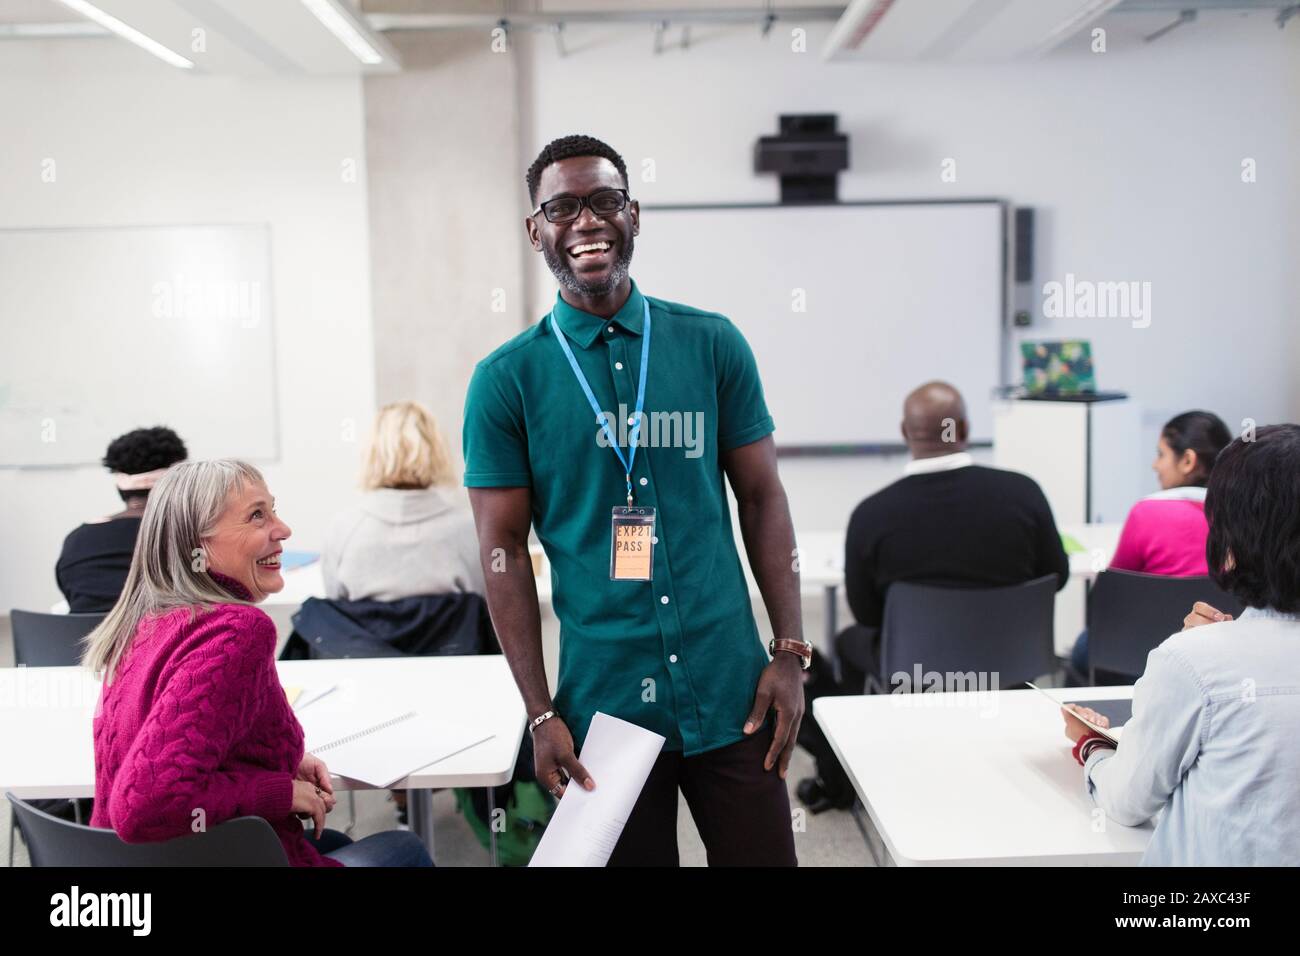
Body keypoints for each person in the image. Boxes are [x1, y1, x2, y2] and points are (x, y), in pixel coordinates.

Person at [463, 134, 806, 866]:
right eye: (562, 207)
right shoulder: (506, 381)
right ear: (536, 230)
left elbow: (763, 498)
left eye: (605, 200)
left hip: (733, 693)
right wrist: (540, 712)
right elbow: (502, 557)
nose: (587, 220)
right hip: (606, 711)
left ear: (634, 214)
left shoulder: (712, 344)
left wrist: (790, 651)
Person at [82, 459, 432, 867]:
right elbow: (144, 807)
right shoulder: (236, 631)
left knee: (332, 838)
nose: (283, 530)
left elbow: (178, 732)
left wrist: (278, 761)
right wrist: (277, 792)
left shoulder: (145, 622)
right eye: (256, 516)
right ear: (199, 545)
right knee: (404, 848)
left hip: (130, 867)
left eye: (273, 510)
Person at [798, 381, 1069, 812]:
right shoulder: (1023, 492)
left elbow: (867, 614)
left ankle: (841, 779)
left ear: (906, 434)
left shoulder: (872, 514)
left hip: (914, 668)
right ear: (963, 427)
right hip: (1013, 662)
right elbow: (1058, 575)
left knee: (848, 643)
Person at [1062, 424, 1300, 865]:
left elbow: (1126, 802)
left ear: (1231, 542)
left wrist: (1091, 747)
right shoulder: (1202, 660)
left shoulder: (1194, 661)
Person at [1069, 410, 1231, 678]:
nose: (1155, 466)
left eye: (1161, 454)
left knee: (1082, 649)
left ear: (1187, 461)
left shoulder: (1146, 512)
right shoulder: (1238, 517)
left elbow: (1107, 598)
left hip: (1140, 654)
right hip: (1215, 657)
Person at [322, 400, 484, 601]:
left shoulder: (343, 530)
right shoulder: (469, 529)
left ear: (372, 452)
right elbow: (486, 606)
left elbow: (336, 607)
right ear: (437, 450)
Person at [56, 426, 187, 612]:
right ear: (179, 482)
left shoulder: (77, 539)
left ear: (120, 486)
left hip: (86, 639)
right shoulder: (188, 533)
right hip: (165, 638)